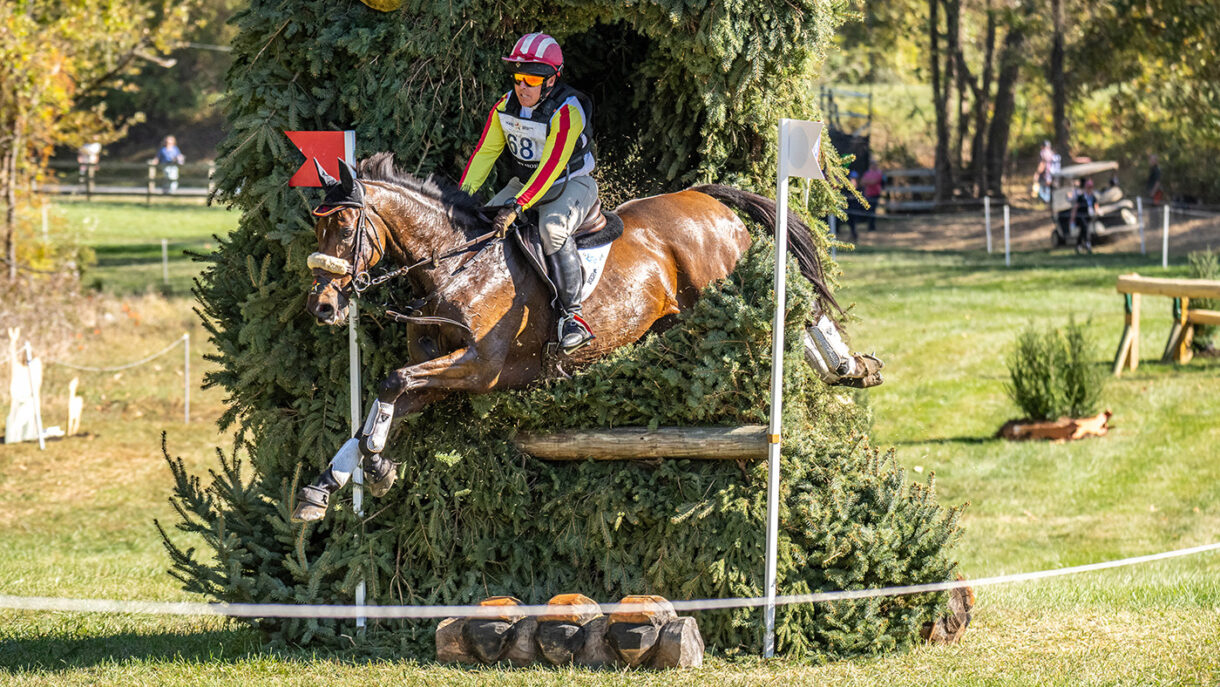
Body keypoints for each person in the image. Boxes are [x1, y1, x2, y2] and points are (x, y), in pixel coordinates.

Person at [459, 33, 597, 353]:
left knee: (552, 229)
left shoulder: (568, 110)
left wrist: (517, 206)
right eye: (519, 77)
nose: (523, 86)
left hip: (570, 183)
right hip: (524, 185)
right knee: (476, 225)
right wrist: (459, 198)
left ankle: (571, 318)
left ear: (551, 81)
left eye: (533, 78)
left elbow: (551, 167)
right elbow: (484, 155)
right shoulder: (504, 106)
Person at [1068, 178, 1098, 253]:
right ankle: (1088, 243)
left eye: (1091, 187)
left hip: (1089, 216)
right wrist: (1072, 218)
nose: (1090, 189)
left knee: (1083, 230)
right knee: (1085, 227)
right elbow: (1075, 208)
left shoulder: (1093, 197)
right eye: (1088, 187)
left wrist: (1097, 212)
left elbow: (1096, 206)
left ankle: (1079, 246)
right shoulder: (1081, 197)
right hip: (1080, 216)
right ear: (1085, 187)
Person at [860, 161, 884, 232]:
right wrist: (869, 182)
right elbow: (862, 182)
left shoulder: (878, 173)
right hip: (868, 194)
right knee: (869, 210)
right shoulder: (867, 173)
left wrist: (868, 182)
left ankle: (872, 226)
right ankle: (870, 225)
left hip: (875, 194)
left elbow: (875, 181)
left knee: (873, 210)